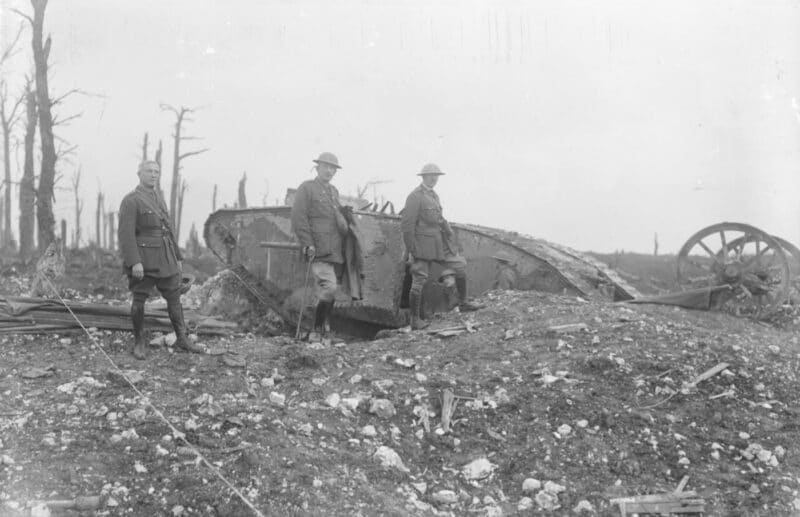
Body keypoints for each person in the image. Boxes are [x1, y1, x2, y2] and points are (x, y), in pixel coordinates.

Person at [118, 160, 203, 359]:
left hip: (166, 256)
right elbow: (125, 234)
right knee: (139, 299)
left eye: (156, 171)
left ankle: (182, 338)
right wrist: (134, 262)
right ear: (139, 173)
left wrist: (177, 256)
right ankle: (139, 341)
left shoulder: (158, 197)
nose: (153, 175)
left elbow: (167, 229)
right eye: (149, 171)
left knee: (174, 297)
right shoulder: (131, 200)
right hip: (144, 259)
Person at [401, 163, 481, 330]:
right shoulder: (415, 196)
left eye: (436, 176)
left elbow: (438, 218)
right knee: (419, 280)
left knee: (460, 266)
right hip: (422, 246)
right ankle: (415, 320)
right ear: (423, 177)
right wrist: (412, 249)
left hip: (439, 243)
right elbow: (407, 226)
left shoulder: (434, 196)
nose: (434, 179)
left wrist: (448, 229)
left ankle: (463, 302)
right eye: (431, 175)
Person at [290, 152, 349, 340]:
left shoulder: (334, 191)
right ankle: (316, 328)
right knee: (329, 288)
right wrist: (307, 243)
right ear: (318, 168)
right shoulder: (306, 188)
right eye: (326, 167)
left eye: (333, 168)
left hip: (335, 250)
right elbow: (299, 218)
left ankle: (323, 327)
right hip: (318, 248)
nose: (330, 171)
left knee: (330, 291)